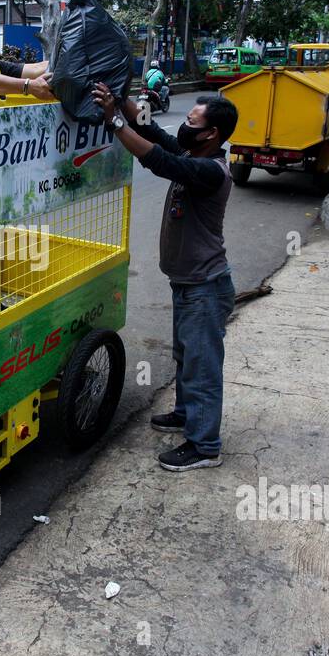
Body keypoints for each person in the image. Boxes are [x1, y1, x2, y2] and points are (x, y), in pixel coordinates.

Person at [91, 81, 238, 472]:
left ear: (211, 134)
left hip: (205, 286)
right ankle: (187, 415)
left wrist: (114, 120)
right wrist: (120, 93)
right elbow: (152, 133)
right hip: (189, 283)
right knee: (186, 355)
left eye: (191, 121)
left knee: (203, 366)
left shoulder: (208, 170)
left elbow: (158, 158)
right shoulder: (194, 153)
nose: (184, 127)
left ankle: (205, 445)